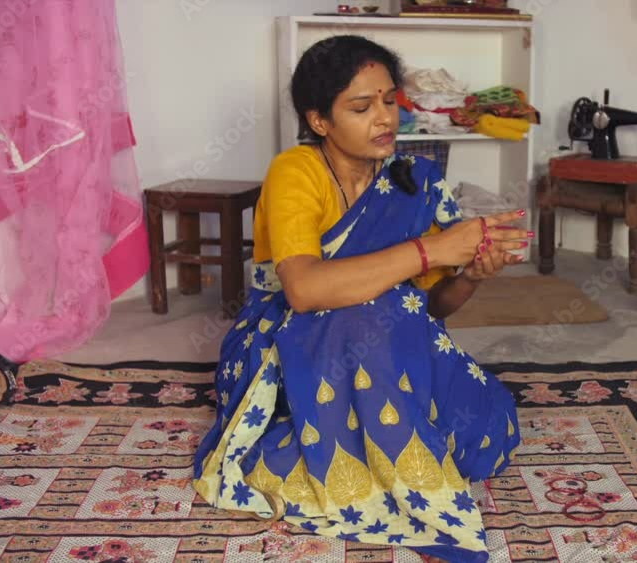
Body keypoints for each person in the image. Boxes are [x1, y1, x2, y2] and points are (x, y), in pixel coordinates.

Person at [192, 35, 530, 562]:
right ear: (320, 120)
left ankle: (390, 453)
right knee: (367, 307)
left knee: (487, 425)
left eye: (390, 100)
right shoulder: (295, 172)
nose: (385, 118)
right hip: (284, 344)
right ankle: (403, 484)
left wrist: (470, 274)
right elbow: (303, 290)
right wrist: (433, 248)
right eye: (361, 106)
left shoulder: (415, 180)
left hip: (391, 344)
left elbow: (431, 308)